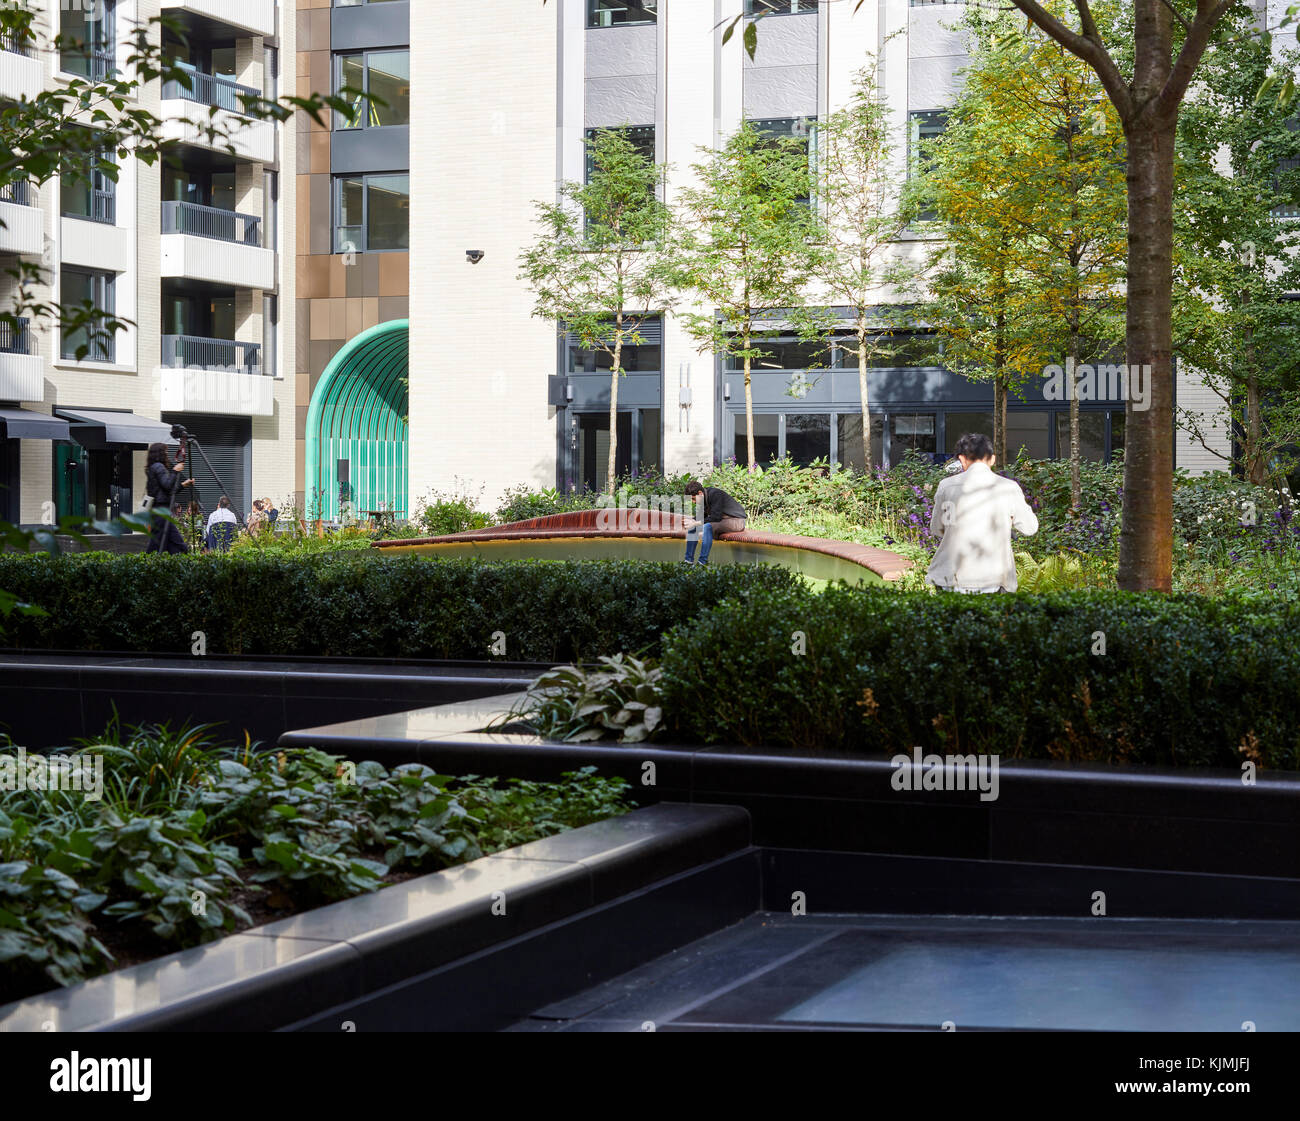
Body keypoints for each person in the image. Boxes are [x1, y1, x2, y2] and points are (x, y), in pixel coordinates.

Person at [927, 432, 1038, 593]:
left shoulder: (946, 486)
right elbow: (1030, 528)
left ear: (962, 459)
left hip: (950, 578)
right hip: (994, 580)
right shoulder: (1009, 488)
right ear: (992, 459)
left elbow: (936, 529)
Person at [683, 479, 747, 566]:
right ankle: (688, 562)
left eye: (693, 499)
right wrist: (692, 521)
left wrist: (695, 523)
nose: (693, 502)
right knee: (693, 527)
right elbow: (702, 515)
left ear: (700, 493)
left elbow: (715, 517)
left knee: (707, 526)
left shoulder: (715, 494)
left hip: (737, 521)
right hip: (724, 521)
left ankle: (702, 563)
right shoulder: (704, 497)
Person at [144, 441, 192, 554]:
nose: (167, 454)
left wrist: (183, 485)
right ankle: (145, 567)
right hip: (161, 513)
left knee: (176, 546)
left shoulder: (153, 468)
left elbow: (166, 490)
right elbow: (167, 485)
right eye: (165, 452)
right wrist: (175, 471)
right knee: (158, 547)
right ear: (160, 453)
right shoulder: (159, 467)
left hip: (159, 513)